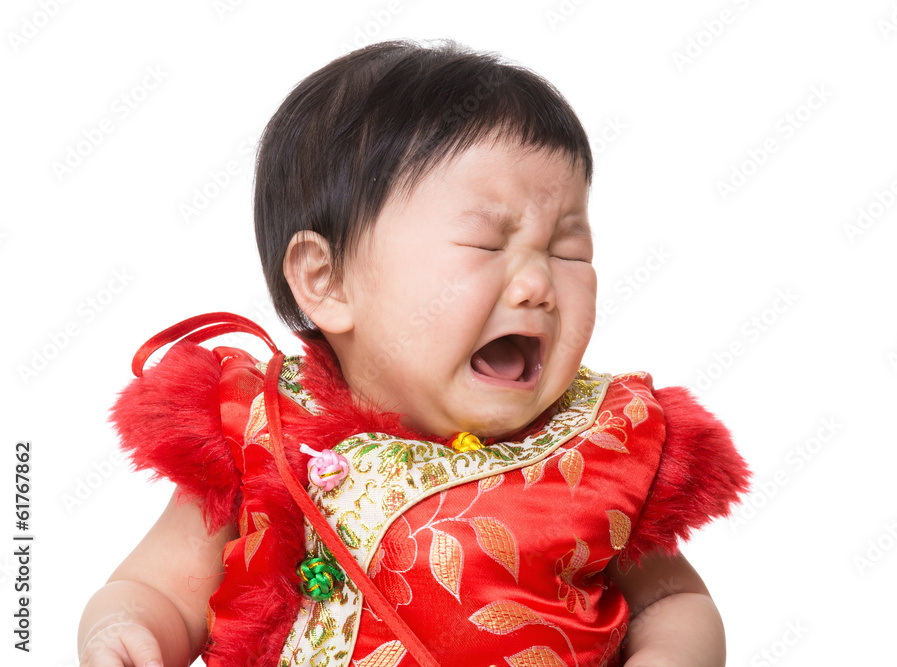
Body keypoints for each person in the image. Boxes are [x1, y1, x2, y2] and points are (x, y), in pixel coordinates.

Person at [78, 39, 750, 667]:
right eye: (488, 244)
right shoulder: (263, 432)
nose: (538, 283)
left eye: (567, 247)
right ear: (327, 280)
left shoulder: (598, 446)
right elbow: (156, 587)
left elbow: (674, 600)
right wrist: (126, 629)